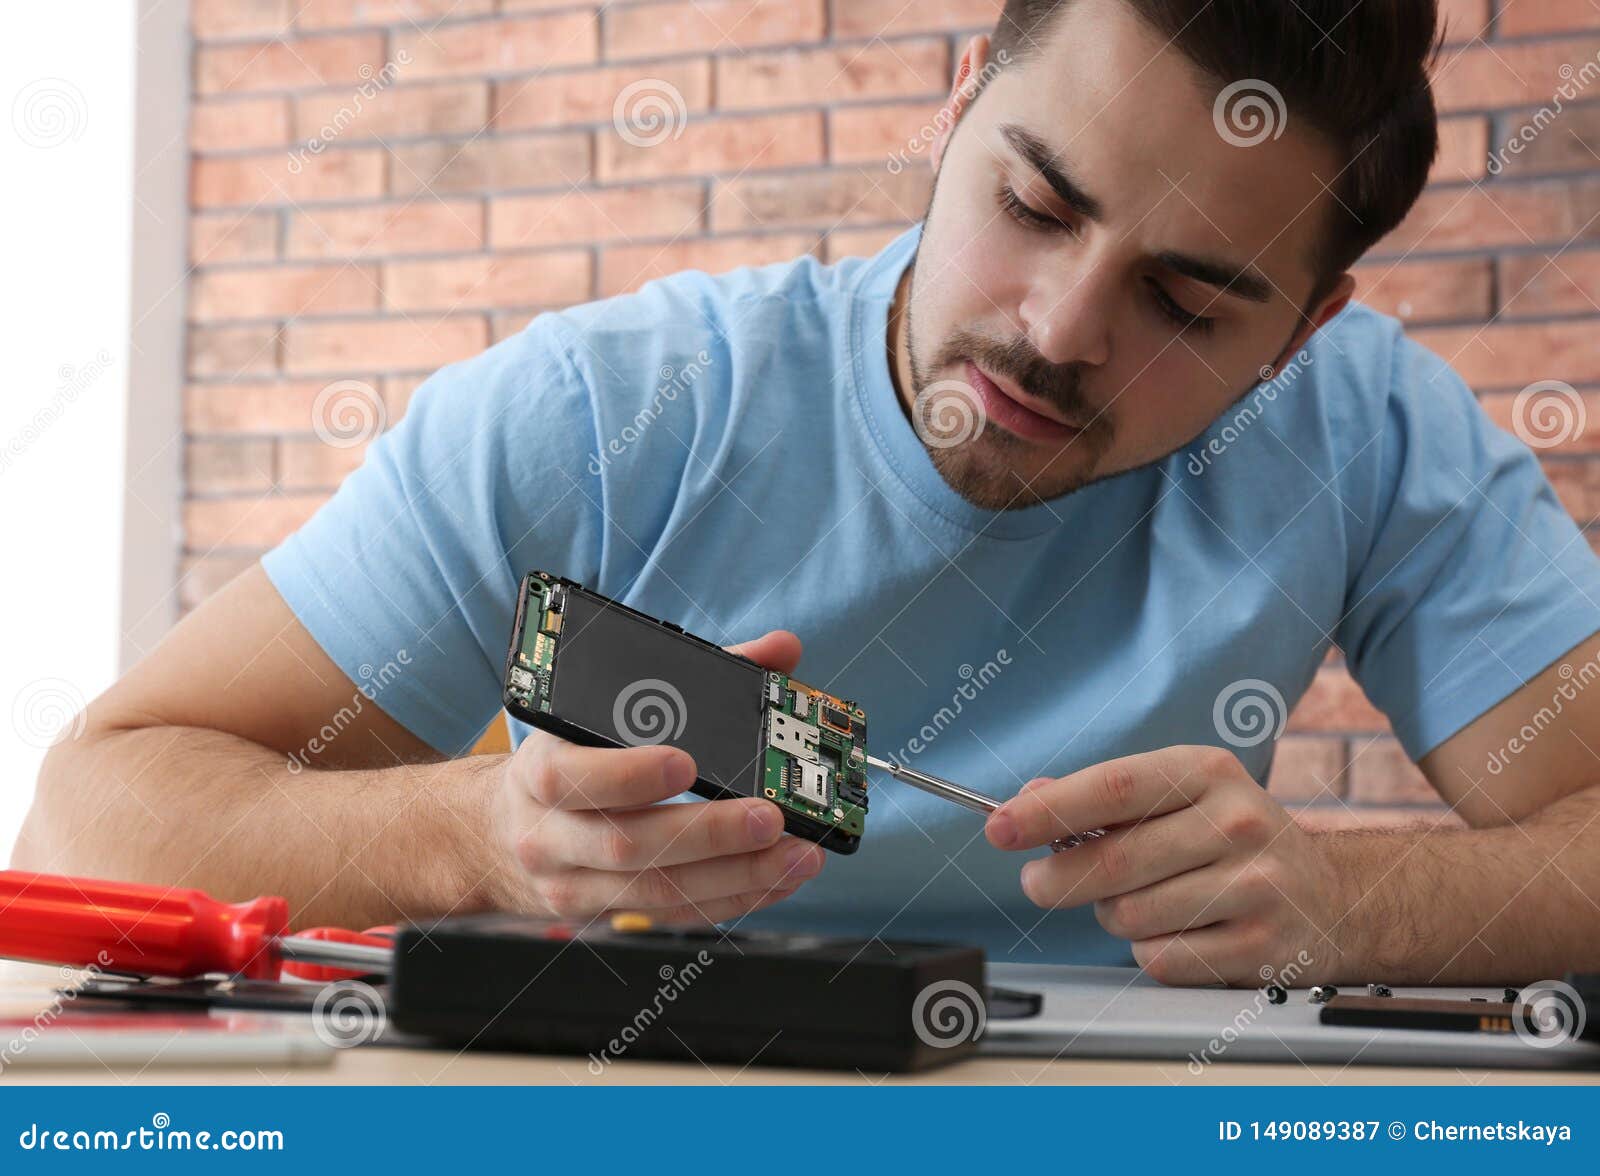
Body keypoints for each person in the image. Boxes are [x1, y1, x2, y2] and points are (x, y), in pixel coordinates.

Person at [20, 0, 1600, 984]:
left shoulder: (1365, 428)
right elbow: (93, 813)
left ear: (1304, 333)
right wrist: (482, 837)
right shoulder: (605, 415)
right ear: (959, 102)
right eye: (1034, 203)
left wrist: (1351, 902)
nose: (1059, 333)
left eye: (1185, 304)